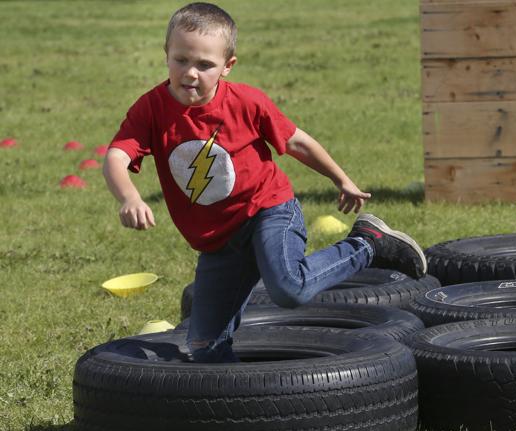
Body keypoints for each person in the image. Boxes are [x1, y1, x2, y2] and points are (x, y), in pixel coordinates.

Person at [102, 2, 426, 362]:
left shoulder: (246, 102)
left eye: (205, 65)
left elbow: (296, 141)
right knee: (203, 347)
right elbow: (116, 156)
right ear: (166, 55)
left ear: (228, 66)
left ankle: (368, 244)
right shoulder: (151, 109)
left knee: (289, 289)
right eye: (181, 60)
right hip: (218, 241)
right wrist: (128, 197)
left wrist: (341, 179)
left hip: (268, 211)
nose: (191, 73)